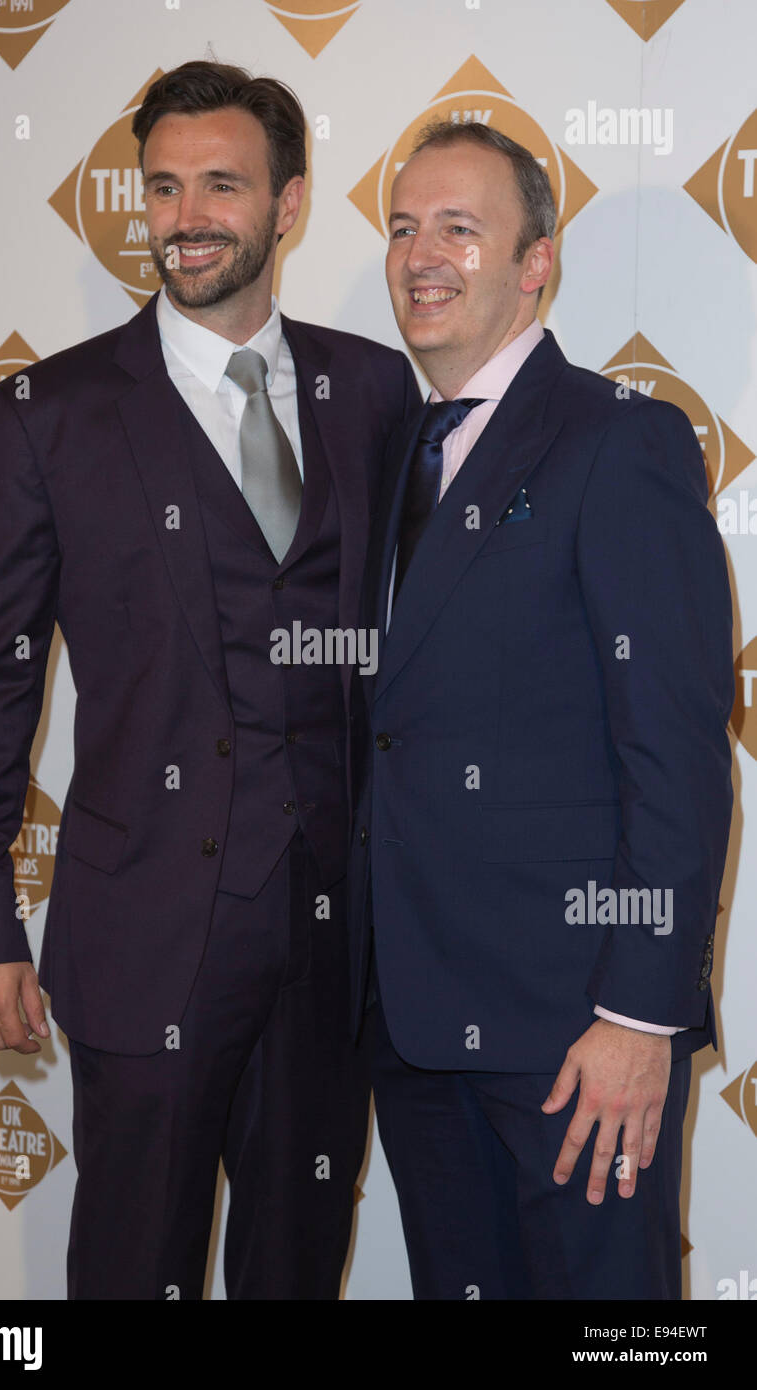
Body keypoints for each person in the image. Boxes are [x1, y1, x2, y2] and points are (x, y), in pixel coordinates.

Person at [0, 60, 419, 1300]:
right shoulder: (50, 412)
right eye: (160, 187)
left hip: (331, 941)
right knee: (131, 1266)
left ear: (289, 204)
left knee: (295, 1265)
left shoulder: (367, 390)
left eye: (219, 184)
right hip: (143, 928)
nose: (183, 214)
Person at [348, 120, 734, 1300]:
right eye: (404, 227)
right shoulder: (389, 456)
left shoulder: (620, 443)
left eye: (460, 228)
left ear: (535, 263)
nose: (422, 253)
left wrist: (638, 1016)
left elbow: (675, 757)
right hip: (411, 1025)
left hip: (574, 1037)